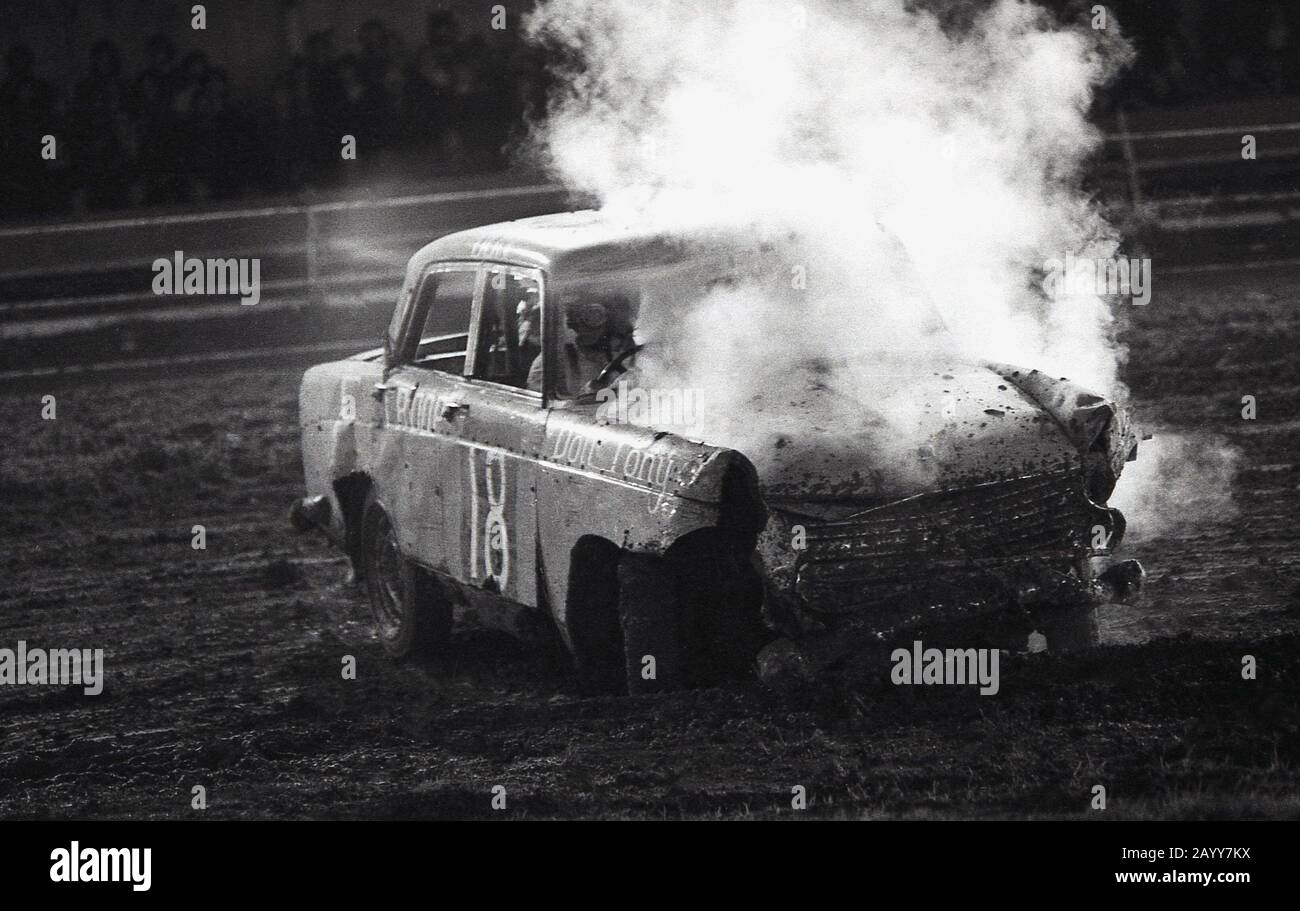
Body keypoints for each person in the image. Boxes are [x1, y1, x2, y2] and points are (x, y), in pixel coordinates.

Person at [527, 292, 634, 396]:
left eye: (596, 316)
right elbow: (541, 405)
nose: (587, 325)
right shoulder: (552, 360)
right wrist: (586, 395)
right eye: (588, 316)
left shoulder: (621, 356)